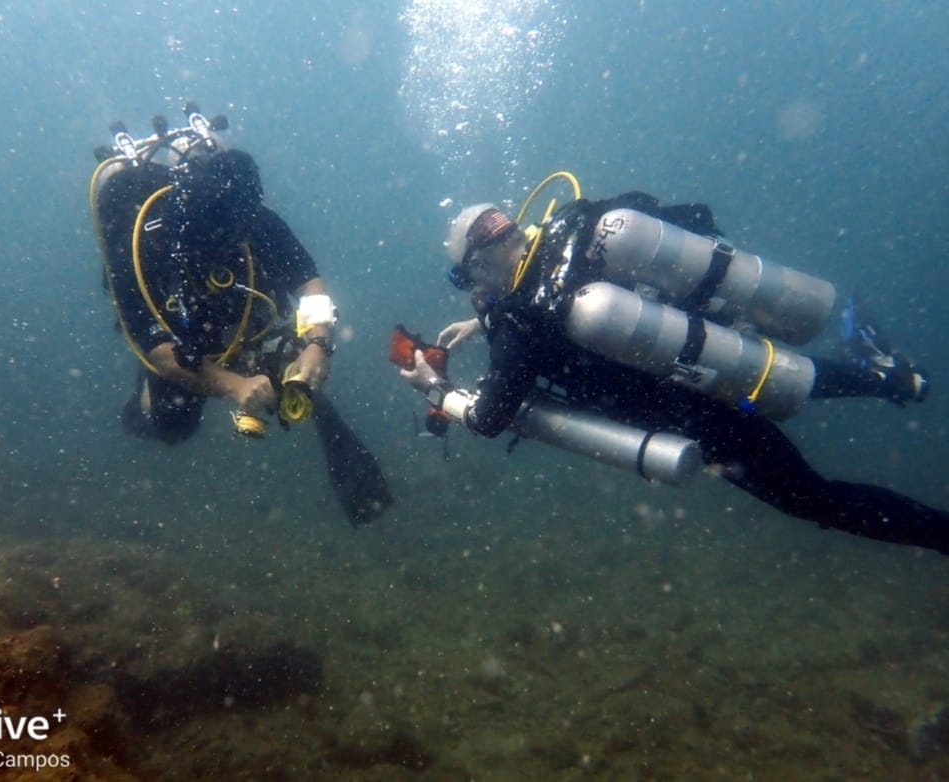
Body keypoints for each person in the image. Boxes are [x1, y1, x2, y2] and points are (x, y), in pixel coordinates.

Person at [398, 185, 948, 554]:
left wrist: (436, 387)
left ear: (479, 263)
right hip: (721, 351)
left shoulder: (521, 327)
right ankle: (892, 379)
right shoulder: (575, 228)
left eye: (468, 279)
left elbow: (492, 416)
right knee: (779, 375)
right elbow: (687, 218)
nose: (474, 293)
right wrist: (481, 325)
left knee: (815, 500)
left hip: (699, 418)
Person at [92, 106, 390, 524]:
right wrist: (234, 386)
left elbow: (310, 285)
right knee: (174, 428)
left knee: (300, 379)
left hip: (247, 324)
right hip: (183, 343)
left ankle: (353, 476)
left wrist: (318, 346)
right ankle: (139, 405)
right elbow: (158, 351)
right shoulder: (142, 250)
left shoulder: (254, 220)